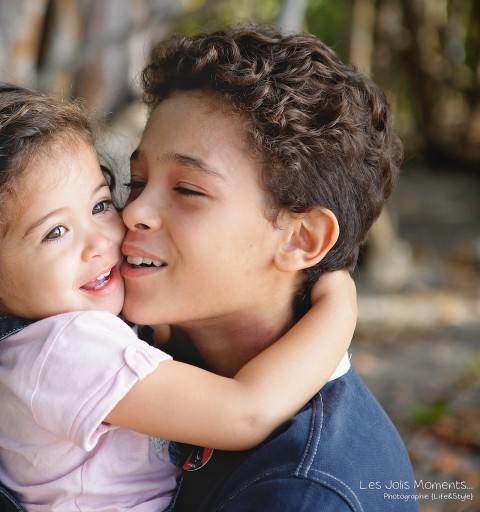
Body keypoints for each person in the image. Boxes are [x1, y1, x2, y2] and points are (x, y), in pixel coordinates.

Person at [0, 82, 357, 511]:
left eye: (101, 203)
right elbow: (245, 411)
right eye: (55, 232)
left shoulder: (26, 345)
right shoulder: (67, 349)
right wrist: (338, 306)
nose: (103, 239)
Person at [120, 25, 418, 510]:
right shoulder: (134, 346)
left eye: (188, 190)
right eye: (136, 180)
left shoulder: (300, 492)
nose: (133, 212)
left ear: (301, 239)